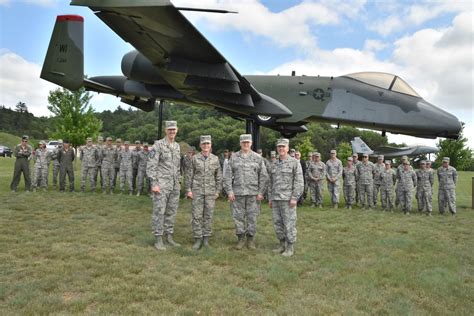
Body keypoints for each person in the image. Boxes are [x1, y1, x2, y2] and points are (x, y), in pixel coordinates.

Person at [224, 134, 268, 250]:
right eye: (243, 142)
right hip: (237, 193)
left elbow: (263, 176)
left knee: (252, 217)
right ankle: (240, 239)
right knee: (238, 217)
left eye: (247, 142)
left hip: (253, 194)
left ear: (251, 143)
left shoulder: (258, 158)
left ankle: (250, 239)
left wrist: (261, 192)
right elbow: (227, 176)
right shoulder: (234, 157)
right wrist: (229, 191)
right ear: (240, 143)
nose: (246, 144)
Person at [147, 121, 182, 250]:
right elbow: (151, 165)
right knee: (159, 211)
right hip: (161, 185)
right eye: (169, 129)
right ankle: (158, 239)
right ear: (165, 130)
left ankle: (169, 236)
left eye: (174, 129)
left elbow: (177, 167)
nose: (172, 131)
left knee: (171, 212)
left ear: (177, 130)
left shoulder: (177, 146)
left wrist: (178, 181)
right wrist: (154, 183)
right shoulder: (158, 145)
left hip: (174, 185)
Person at [185, 135, 222, 250]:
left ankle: (206, 239)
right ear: (200, 145)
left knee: (208, 216)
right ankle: (197, 238)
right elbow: (189, 175)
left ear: (211, 145)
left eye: (208, 144)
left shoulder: (215, 159)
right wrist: (188, 190)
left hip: (211, 192)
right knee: (196, 215)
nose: (206, 146)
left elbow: (219, 176)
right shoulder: (195, 158)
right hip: (197, 191)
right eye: (204, 144)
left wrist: (218, 191)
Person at [268, 138, 303, 257]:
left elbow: (299, 181)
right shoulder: (274, 163)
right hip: (276, 199)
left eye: (283, 147)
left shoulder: (294, 162)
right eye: (279, 147)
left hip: (288, 199)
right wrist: (270, 198)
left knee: (289, 223)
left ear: (288, 148)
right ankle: (281, 244)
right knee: (277, 223)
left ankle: (290, 247)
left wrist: (294, 197)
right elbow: (270, 182)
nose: (281, 149)